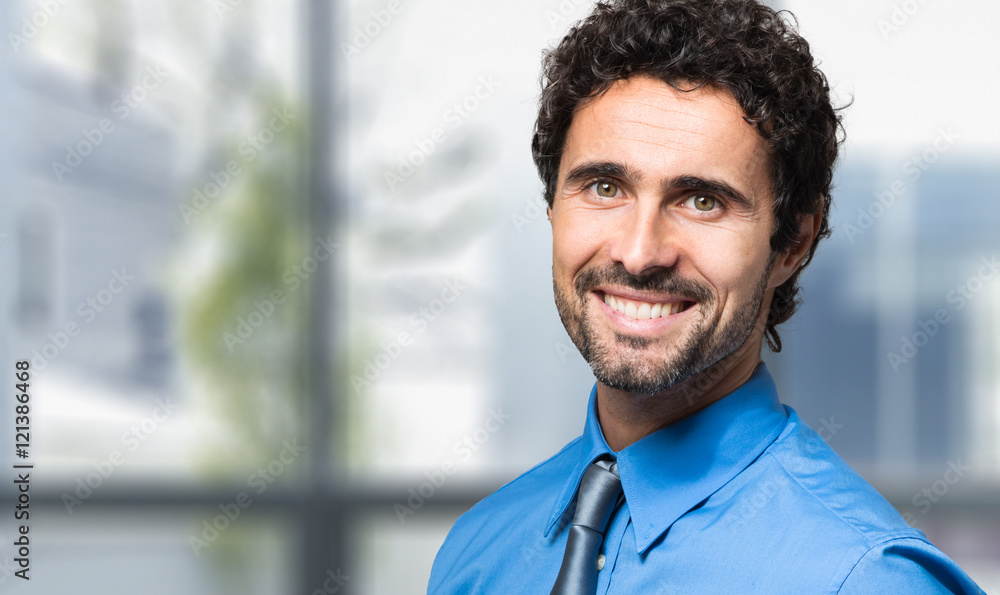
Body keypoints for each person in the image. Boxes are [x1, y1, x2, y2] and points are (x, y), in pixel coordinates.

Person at [428, 0, 986, 592]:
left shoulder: (870, 579)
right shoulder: (476, 551)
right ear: (551, 209)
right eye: (605, 187)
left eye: (702, 201)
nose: (639, 253)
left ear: (793, 243)